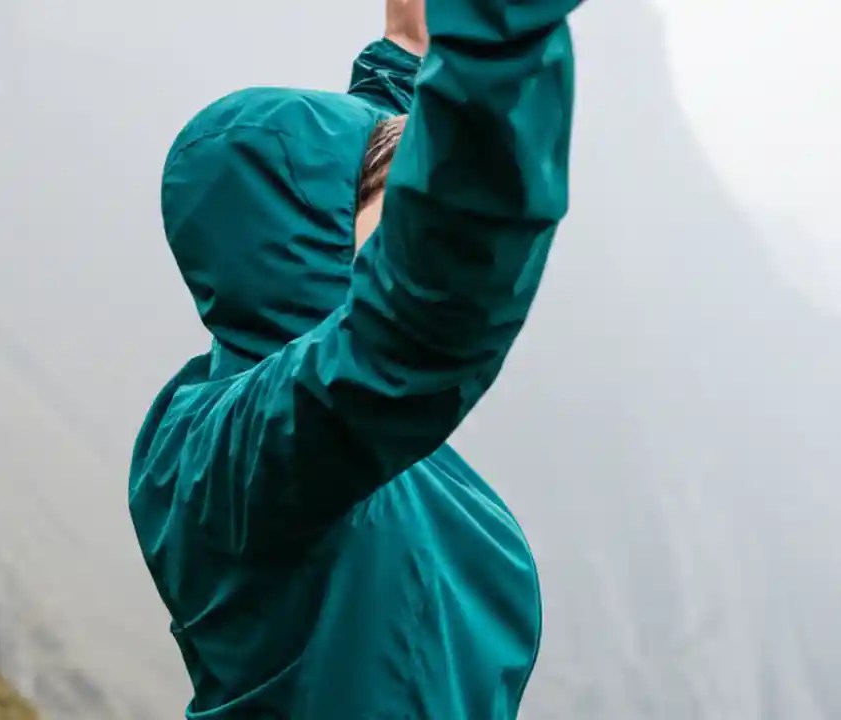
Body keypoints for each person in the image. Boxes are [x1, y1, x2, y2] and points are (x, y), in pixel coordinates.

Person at [128, 0, 583, 716]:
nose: (408, 228)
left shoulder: (302, 413)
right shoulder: (235, 454)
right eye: (396, 208)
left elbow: (357, 164)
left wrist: (414, 48)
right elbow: (428, 295)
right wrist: (495, 26)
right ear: (308, 237)